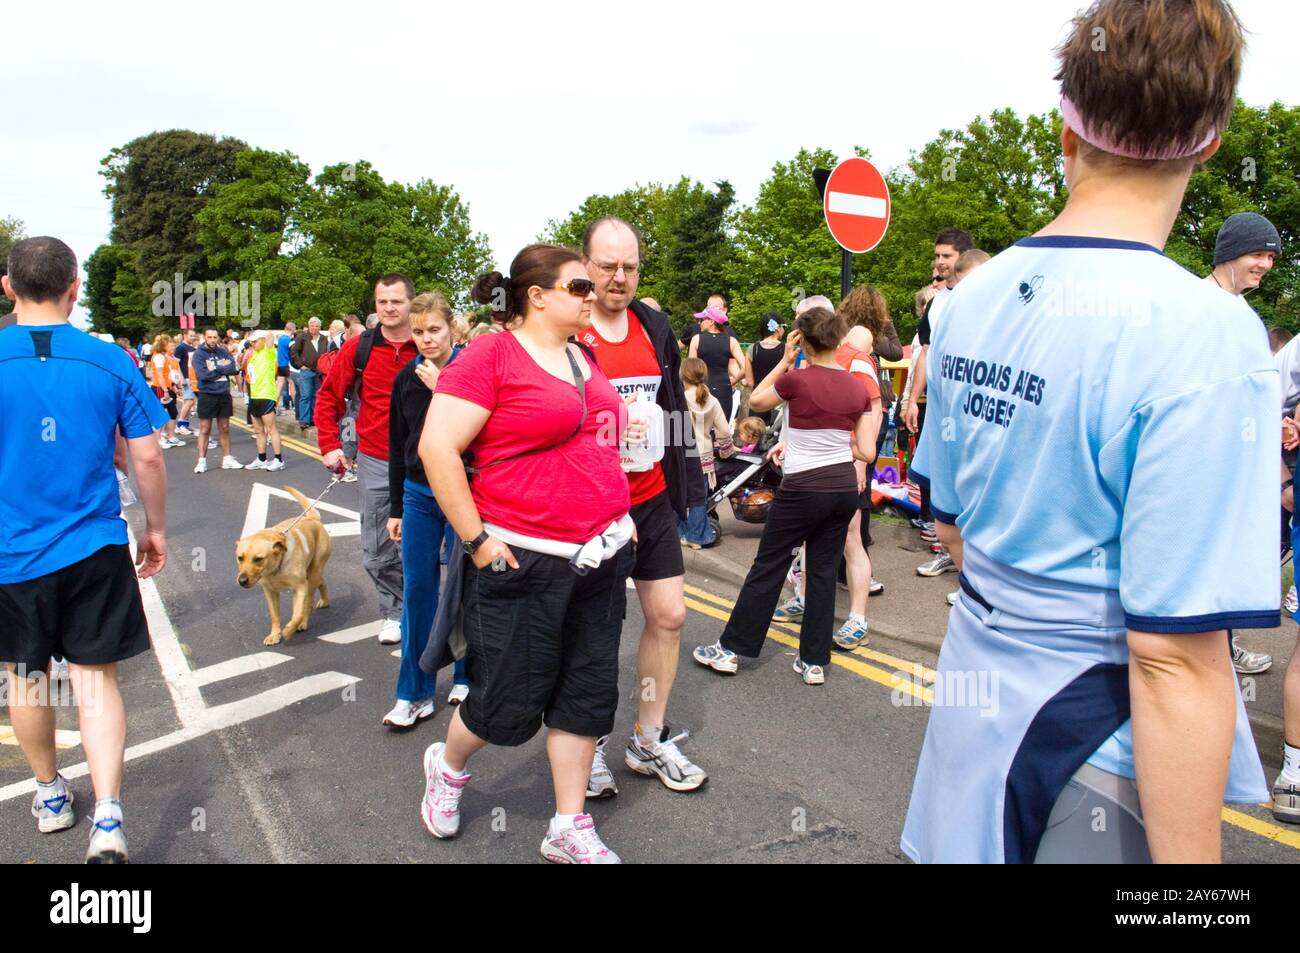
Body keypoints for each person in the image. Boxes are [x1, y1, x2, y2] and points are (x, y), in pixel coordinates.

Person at [902, 0, 1273, 864]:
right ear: (1210, 139)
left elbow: (950, 522)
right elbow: (1175, 660)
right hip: (1091, 751)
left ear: (1065, 131)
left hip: (976, 713)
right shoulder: (1208, 333)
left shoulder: (965, 305)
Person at [417, 244, 633, 862]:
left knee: (585, 692)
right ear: (536, 296)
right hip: (522, 558)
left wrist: (621, 515)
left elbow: (599, 444)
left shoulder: (582, 357)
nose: (593, 296)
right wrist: (478, 541)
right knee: (506, 700)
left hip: (597, 554)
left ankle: (568, 824)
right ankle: (448, 767)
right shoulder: (491, 355)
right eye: (579, 288)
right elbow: (437, 448)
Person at [0, 236, 169, 863]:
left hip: (11, 551)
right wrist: (155, 527)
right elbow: (146, 454)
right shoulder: (111, 359)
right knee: (96, 680)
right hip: (92, 544)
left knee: (27, 678)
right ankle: (108, 818)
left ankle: (48, 793)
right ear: (75, 287)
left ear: (9, 287)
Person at [577, 217, 710, 797]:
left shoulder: (654, 324)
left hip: (650, 495)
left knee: (670, 616)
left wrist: (689, 482)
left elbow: (671, 402)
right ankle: (588, 746)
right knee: (594, 633)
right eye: (607, 266)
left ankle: (648, 738)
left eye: (629, 266)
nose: (619, 277)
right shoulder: (567, 328)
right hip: (590, 507)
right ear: (585, 267)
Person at [694, 305, 875, 685]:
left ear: (803, 340)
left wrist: (786, 360)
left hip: (802, 488)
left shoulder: (796, 380)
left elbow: (756, 400)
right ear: (840, 339)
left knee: (769, 566)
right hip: (842, 487)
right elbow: (867, 451)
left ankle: (731, 650)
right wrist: (832, 443)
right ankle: (813, 662)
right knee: (823, 572)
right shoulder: (858, 387)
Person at [315, 275, 419, 645]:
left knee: (430, 548)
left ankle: (423, 610)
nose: (389, 308)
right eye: (382, 302)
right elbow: (328, 397)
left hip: (428, 463)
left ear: (411, 302)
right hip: (376, 459)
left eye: (396, 301)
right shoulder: (359, 348)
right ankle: (395, 611)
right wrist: (330, 444)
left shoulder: (429, 344)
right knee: (377, 551)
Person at [1203, 211, 1283, 675]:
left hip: (1235, 462)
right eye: (1258, 254)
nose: (1265, 265)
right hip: (1205, 464)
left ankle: (1220, 646)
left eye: (1271, 256)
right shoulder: (1198, 304)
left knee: (1225, 563)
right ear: (1230, 252)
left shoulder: (1242, 313)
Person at [383, 292, 467, 727]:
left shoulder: (469, 371)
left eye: (434, 330)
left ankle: (467, 675)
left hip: (464, 492)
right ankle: (414, 692)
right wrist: (396, 506)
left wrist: (445, 389)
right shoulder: (404, 379)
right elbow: (399, 446)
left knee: (464, 585)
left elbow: (480, 437)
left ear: (451, 328)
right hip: (417, 492)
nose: (426, 339)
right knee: (418, 589)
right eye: (418, 332)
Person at [905, 228, 974, 552]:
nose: (940, 262)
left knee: (968, 481)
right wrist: (913, 401)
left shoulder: (980, 297)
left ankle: (969, 560)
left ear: (962, 257)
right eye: (937, 256)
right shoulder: (936, 304)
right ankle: (951, 552)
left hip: (970, 405)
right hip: (939, 404)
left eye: (946, 256)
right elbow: (926, 354)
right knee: (939, 479)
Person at [679, 357, 735, 548]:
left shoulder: (679, 399)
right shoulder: (712, 400)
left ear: (683, 375)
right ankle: (696, 537)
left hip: (681, 455)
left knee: (677, 496)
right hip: (703, 456)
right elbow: (725, 431)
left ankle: (680, 532)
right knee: (698, 498)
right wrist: (726, 449)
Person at [192, 328, 244, 474]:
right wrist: (222, 367)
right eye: (210, 337)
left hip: (223, 393)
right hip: (207, 394)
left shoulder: (223, 351)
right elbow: (202, 374)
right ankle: (202, 460)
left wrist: (215, 368)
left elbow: (233, 368)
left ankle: (227, 458)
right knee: (205, 428)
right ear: (205, 338)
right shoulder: (199, 354)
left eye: (215, 337)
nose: (213, 340)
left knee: (225, 427)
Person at [688, 306, 750, 423]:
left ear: (712, 321)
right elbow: (746, 367)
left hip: (702, 389)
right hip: (724, 389)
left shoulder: (696, 339)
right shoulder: (731, 341)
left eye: (702, 320)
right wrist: (734, 380)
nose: (699, 322)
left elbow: (691, 370)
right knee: (721, 429)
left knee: (701, 430)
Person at [243, 330, 285, 472]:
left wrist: (260, 335)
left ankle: (278, 459)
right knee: (258, 430)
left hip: (266, 395)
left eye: (255, 341)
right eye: (251, 342)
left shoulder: (269, 352)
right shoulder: (253, 355)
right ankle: (261, 458)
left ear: (261, 340)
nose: (253, 344)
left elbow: (270, 336)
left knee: (271, 429)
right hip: (254, 396)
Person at [748, 313, 786, 425]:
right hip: (779, 402)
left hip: (758, 401)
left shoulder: (752, 349)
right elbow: (791, 376)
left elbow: (750, 382)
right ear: (778, 328)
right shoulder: (786, 350)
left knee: (754, 437)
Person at [148, 334, 185, 449]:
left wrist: (173, 386)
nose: (172, 347)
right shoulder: (159, 357)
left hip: (165, 387)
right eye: (169, 345)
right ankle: (158, 439)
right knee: (162, 413)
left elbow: (168, 374)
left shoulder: (163, 356)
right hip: (159, 388)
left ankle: (170, 436)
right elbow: (159, 375)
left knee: (172, 412)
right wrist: (165, 390)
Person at [290, 317, 325, 433]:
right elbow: (294, 352)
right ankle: (304, 420)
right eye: (312, 326)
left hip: (319, 371)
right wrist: (300, 365)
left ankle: (314, 419)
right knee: (305, 395)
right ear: (309, 326)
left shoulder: (324, 339)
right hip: (307, 371)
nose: (314, 328)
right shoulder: (302, 337)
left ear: (320, 327)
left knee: (316, 396)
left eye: (316, 326)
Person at [174, 326, 198, 435]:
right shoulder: (181, 348)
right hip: (186, 378)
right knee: (189, 401)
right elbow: (176, 363)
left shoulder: (193, 348)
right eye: (191, 335)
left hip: (193, 378)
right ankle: (180, 425)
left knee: (190, 402)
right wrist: (181, 377)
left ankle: (185, 424)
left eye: (194, 335)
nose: (193, 337)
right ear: (185, 335)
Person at [276, 322, 296, 413]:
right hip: (288, 365)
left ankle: (274, 407)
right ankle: (296, 406)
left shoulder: (281, 338)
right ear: (292, 329)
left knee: (279, 387)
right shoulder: (290, 340)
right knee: (292, 385)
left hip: (280, 365)